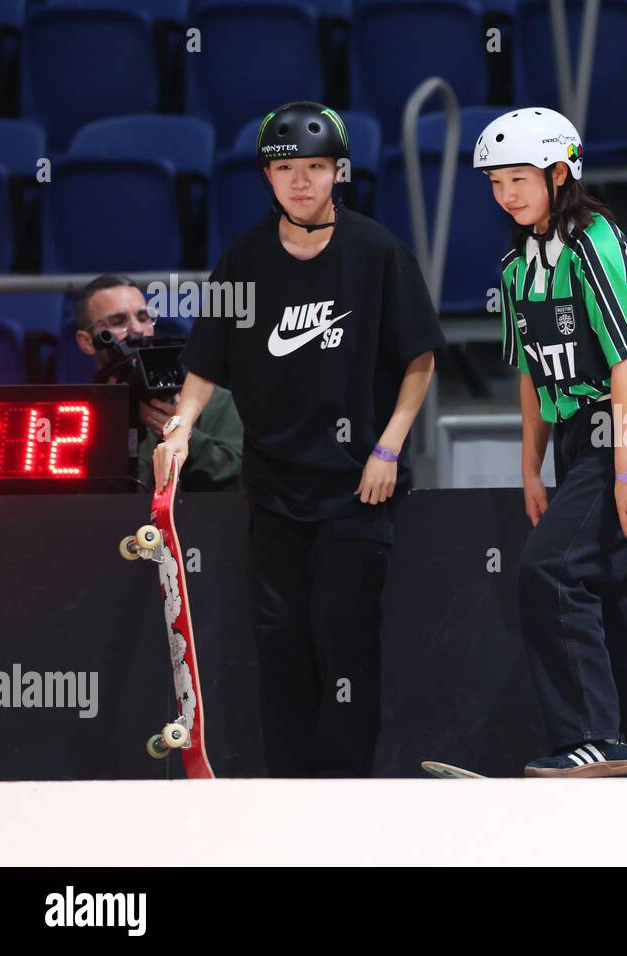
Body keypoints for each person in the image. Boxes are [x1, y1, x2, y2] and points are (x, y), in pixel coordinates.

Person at [155, 101, 445, 776]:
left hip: (356, 488)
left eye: (316, 168)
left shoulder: (377, 252)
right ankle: (286, 790)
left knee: (344, 643)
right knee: (280, 642)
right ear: (266, 176)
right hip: (274, 488)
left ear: (338, 173)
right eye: (287, 169)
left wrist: (387, 448)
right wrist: (180, 426)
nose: (302, 181)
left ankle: (343, 790)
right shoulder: (243, 259)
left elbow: (419, 359)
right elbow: (204, 363)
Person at [474, 107, 627, 777]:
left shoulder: (592, 239)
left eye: (520, 179)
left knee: (550, 570)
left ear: (560, 173)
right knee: (624, 613)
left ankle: (593, 740)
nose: (507, 195)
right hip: (583, 437)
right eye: (496, 183)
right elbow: (530, 377)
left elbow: (625, 365)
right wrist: (530, 470)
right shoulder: (515, 267)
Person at [74, 274, 241, 490]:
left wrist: (183, 435)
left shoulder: (210, 401)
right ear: (87, 341)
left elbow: (240, 479)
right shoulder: (81, 413)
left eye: (143, 318)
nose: (137, 329)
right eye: (118, 322)